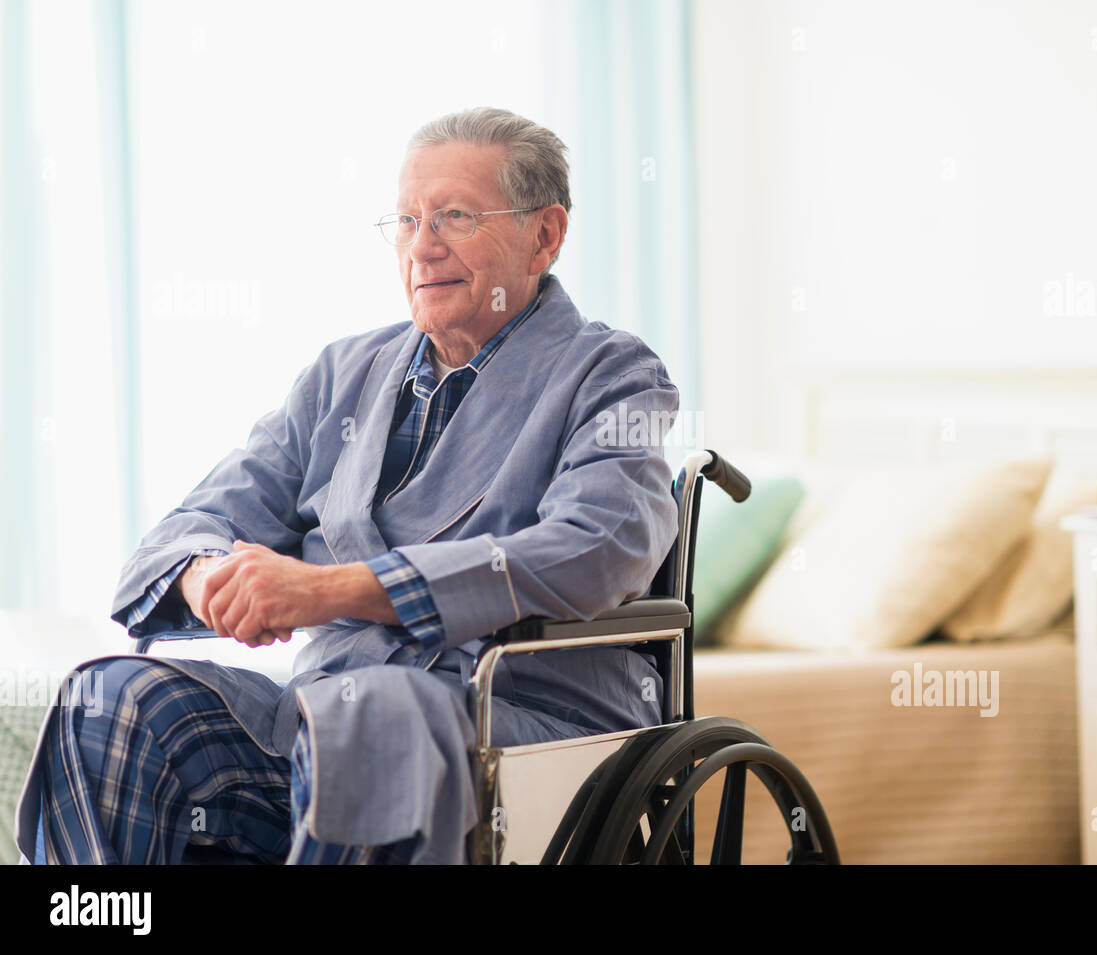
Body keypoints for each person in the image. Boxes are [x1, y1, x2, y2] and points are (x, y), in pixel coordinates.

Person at [14, 106, 679, 864]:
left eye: (455, 216)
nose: (421, 247)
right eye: (405, 220)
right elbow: (185, 529)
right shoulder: (342, 376)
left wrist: (331, 590)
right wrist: (211, 581)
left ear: (546, 234)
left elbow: (600, 545)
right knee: (106, 704)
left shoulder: (610, 375)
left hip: (516, 723)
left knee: (379, 721)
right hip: (324, 723)